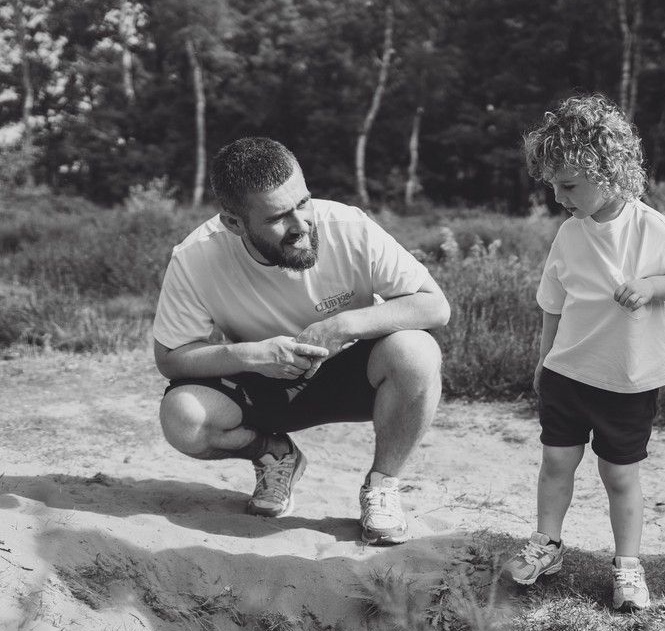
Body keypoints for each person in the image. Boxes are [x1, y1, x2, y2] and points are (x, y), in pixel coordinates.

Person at [152, 136, 449, 545]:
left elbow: (435, 306)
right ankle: (275, 455)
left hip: (352, 374)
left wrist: (343, 326)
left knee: (416, 351)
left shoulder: (350, 226)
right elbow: (171, 359)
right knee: (183, 418)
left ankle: (381, 486)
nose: (302, 224)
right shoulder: (193, 258)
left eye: (303, 202)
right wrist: (251, 354)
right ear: (234, 223)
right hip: (263, 383)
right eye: (278, 218)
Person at [498, 95, 665, 612]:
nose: (560, 198)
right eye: (553, 187)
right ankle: (548, 544)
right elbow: (553, 303)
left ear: (609, 171)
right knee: (556, 463)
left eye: (569, 185)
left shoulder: (651, 227)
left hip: (627, 380)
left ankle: (628, 566)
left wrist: (651, 285)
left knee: (619, 475)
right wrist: (543, 361)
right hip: (569, 373)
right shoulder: (569, 234)